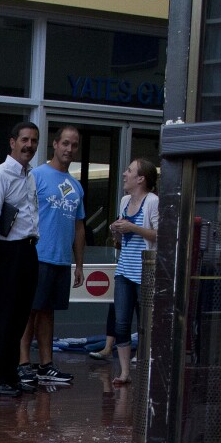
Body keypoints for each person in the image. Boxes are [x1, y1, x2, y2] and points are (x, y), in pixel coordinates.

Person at [0, 120, 41, 397]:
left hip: (27, 251)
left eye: (34, 141)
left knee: (18, 317)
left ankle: (9, 374)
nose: (29, 145)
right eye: (24, 140)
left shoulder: (29, 175)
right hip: (6, 252)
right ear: (12, 142)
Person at [19, 124, 84, 390]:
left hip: (60, 260)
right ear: (55, 145)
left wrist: (79, 264)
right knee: (29, 311)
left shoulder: (76, 186)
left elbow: (79, 227)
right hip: (37, 255)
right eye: (65, 143)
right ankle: (22, 364)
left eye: (74, 145)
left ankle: (46, 365)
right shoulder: (37, 176)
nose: (69, 149)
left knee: (48, 313)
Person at [95, 158, 159, 385]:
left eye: (130, 171)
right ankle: (124, 371)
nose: (124, 174)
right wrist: (117, 231)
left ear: (141, 178)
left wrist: (131, 227)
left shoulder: (152, 201)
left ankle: (146, 365)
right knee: (121, 322)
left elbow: (159, 235)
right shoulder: (124, 201)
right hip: (124, 270)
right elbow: (123, 243)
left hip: (145, 272)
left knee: (146, 321)